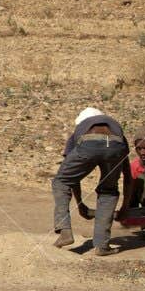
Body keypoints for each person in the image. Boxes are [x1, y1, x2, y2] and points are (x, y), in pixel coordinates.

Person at [52, 106, 131, 255]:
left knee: (61, 182)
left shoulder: (79, 131)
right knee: (108, 192)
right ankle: (102, 246)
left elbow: (70, 178)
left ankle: (65, 231)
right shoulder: (116, 130)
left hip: (89, 143)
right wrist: (125, 207)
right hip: (115, 145)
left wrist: (80, 204)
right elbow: (128, 176)